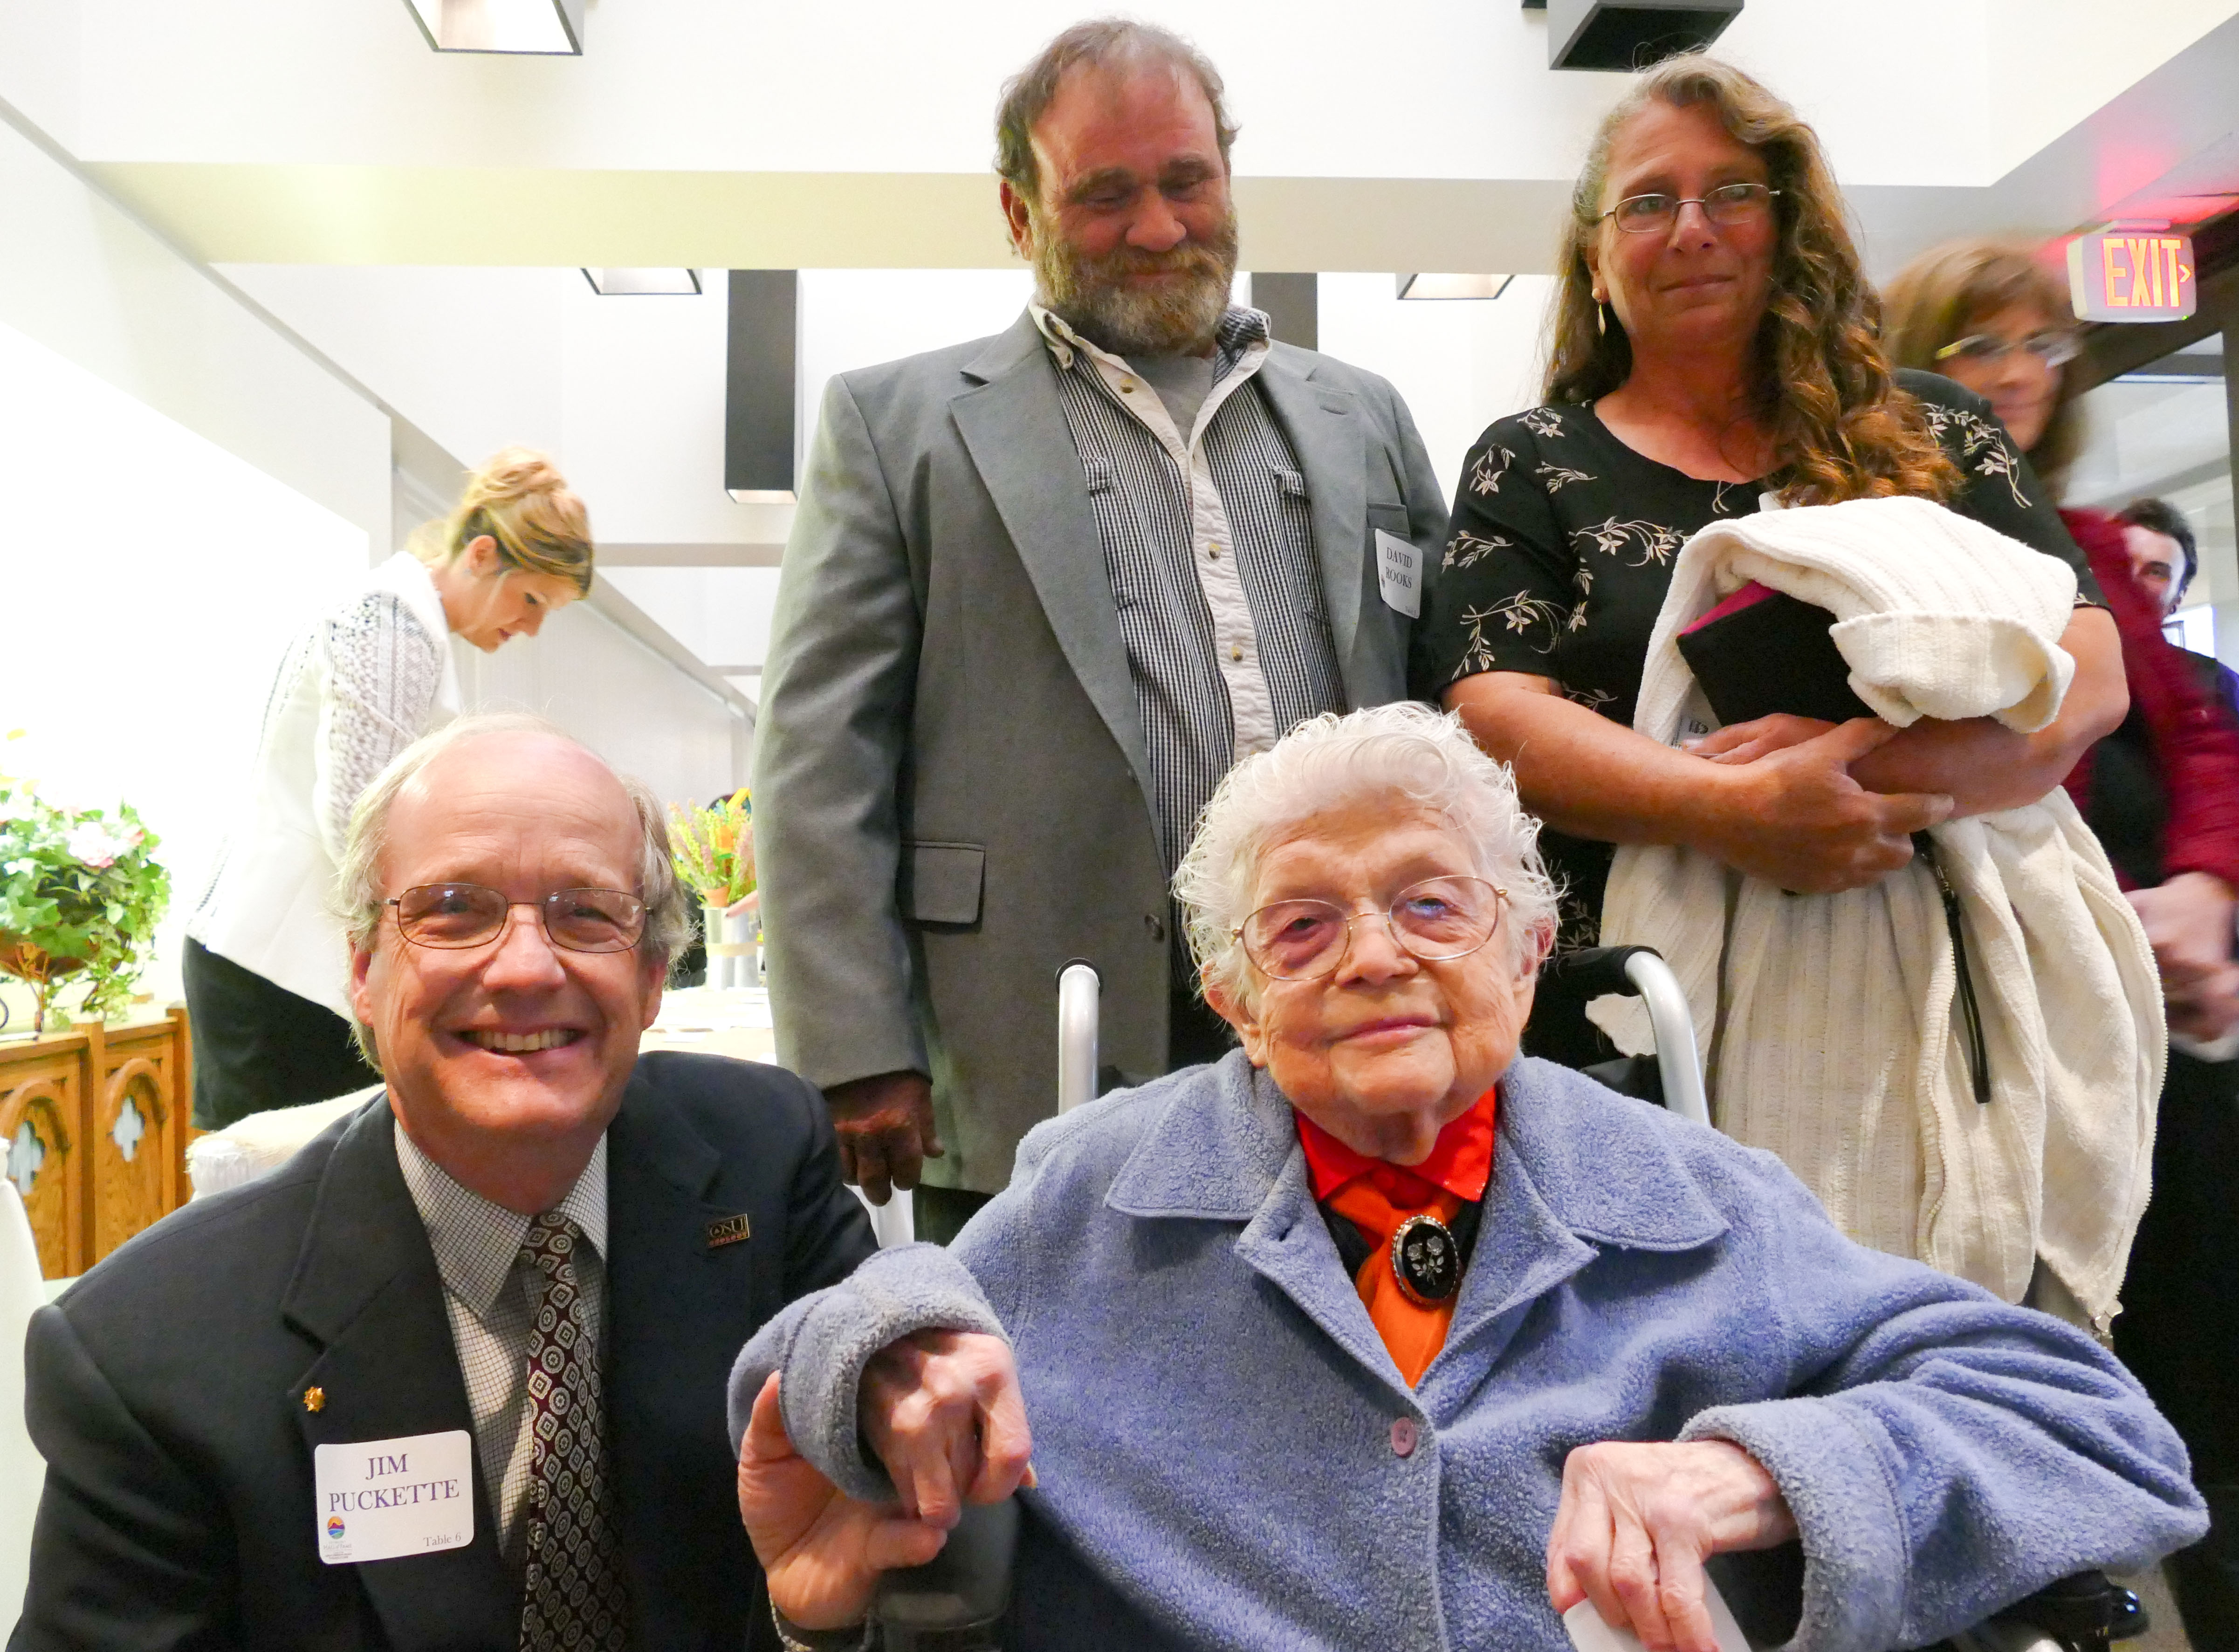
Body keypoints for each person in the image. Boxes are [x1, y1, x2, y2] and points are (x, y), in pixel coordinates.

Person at [726, 704, 2205, 1652]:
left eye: (1431, 902)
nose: (1376, 955)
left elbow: (2095, 1431)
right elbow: (829, 1346)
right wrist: (893, 1346)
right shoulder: (1102, 1188)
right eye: (1300, 928)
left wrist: (1757, 1469)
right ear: (1233, 998)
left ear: (1523, 946)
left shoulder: (1697, 1196)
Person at [754, 19, 1449, 1241]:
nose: (1158, 226)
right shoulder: (898, 426)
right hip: (1039, 1029)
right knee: (1055, 1412)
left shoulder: (1364, 420)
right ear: (1020, 216)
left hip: (1349, 1017)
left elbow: (1439, 711)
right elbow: (822, 753)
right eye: (1104, 194)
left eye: (1187, 181)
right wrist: (855, 1040)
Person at [17, 715, 878, 1650]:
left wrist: (813, 1632)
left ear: (651, 978)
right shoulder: (150, 1357)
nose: (523, 967)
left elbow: (877, 1560)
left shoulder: (765, 1161)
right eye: (454, 908)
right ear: (361, 972)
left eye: (584, 912)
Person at [1418, 59, 2124, 1068]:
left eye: (1732, 193)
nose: (1691, 228)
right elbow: (1491, 715)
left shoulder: (1936, 430)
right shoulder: (1531, 459)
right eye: (1647, 203)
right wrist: (1727, 810)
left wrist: (1852, 787)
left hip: (1937, 991)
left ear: (1787, 223)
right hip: (1639, 1021)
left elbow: (2086, 677)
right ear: (1592, 256)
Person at [1884, 245, 2239, 1649]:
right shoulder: (1886, 539)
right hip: (1992, 1013)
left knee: (2189, 1348)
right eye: (1977, 349)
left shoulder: (2093, 553)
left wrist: (2208, 885)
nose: (2018, 377)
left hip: (2153, 1008)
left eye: (2040, 346)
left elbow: (2199, 733)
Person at [184, 447, 595, 1129]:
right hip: (275, 966)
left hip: (294, 961)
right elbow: (357, 814)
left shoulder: (412, 626)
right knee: (279, 1204)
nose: (529, 628)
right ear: (483, 554)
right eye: (531, 599)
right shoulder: (391, 621)